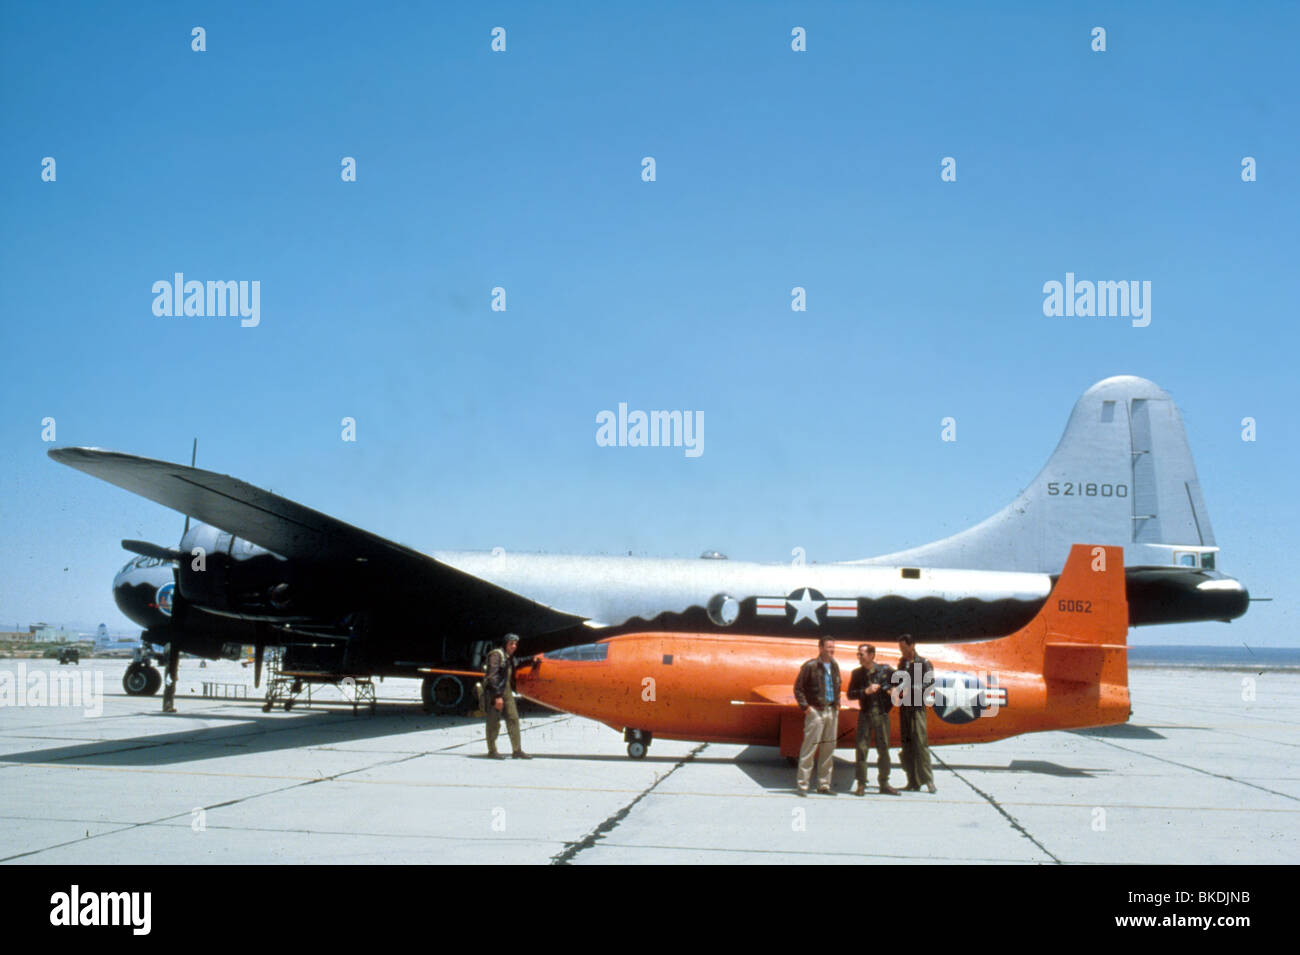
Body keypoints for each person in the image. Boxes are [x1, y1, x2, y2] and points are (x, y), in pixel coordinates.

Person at [847, 644, 898, 796]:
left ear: (871, 655)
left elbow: (902, 681)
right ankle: (861, 783)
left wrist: (894, 690)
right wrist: (865, 691)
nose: (859, 657)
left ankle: (884, 783)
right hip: (865, 715)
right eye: (858, 654)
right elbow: (851, 694)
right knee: (862, 749)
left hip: (882, 715)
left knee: (883, 750)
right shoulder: (857, 674)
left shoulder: (886, 671)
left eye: (861, 654)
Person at [793, 637, 841, 794]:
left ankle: (824, 785)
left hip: (831, 711)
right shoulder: (810, 666)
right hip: (816, 711)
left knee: (828, 750)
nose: (831, 650)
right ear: (820, 648)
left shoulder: (834, 665)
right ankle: (803, 785)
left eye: (833, 647)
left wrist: (837, 704)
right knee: (809, 749)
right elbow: (798, 688)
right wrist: (806, 708)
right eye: (828, 647)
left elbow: (837, 686)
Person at [894, 634, 935, 793]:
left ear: (912, 646)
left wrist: (914, 688)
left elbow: (930, 682)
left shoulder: (923, 663)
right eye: (900, 648)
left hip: (917, 706)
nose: (902, 651)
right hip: (905, 706)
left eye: (904, 648)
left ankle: (928, 780)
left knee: (920, 742)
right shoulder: (902, 663)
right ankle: (912, 780)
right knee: (907, 744)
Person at [484, 634, 534, 759]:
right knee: (493, 722)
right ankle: (492, 751)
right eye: (511, 643)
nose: (514, 646)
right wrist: (497, 696)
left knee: (513, 719)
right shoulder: (496, 655)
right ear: (505, 643)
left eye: (515, 644)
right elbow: (492, 676)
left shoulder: (509, 657)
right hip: (495, 691)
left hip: (506, 691)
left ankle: (517, 750)